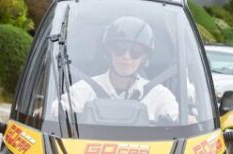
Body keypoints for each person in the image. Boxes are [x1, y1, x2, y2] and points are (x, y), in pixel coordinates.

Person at [53, 16, 181, 123]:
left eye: (135, 52)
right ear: (109, 52)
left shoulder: (158, 95)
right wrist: (46, 111)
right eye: (119, 49)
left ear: (144, 58)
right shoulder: (84, 90)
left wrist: (187, 120)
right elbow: (56, 111)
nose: (126, 56)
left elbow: (178, 119)